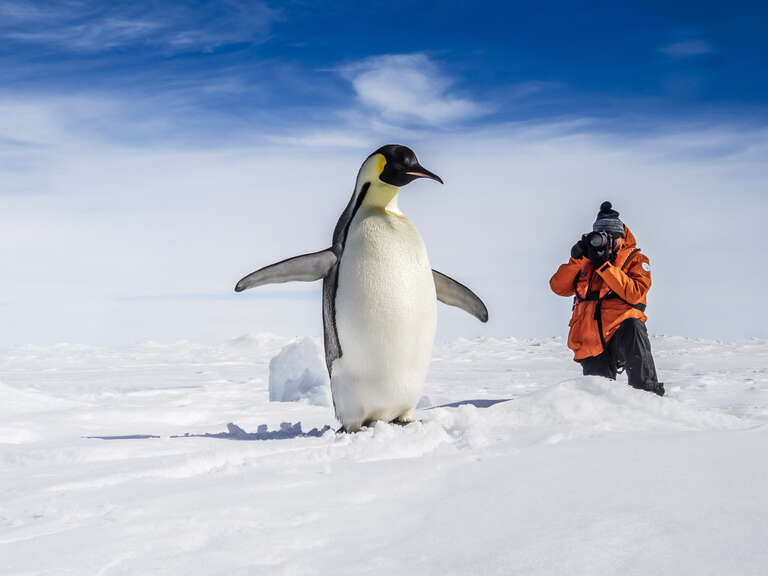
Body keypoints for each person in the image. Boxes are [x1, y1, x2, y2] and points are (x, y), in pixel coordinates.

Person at [550, 201, 664, 396]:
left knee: (633, 327)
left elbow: (636, 292)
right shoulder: (586, 260)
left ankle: (648, 393)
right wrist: (576, 260)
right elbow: (558, 287)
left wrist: (604, 267)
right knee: (598, 398)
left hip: (621, 334)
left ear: (620, 238)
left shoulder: (636, 260)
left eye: (611, 237)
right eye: (602, 236)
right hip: (591, 339)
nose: (606, 241)